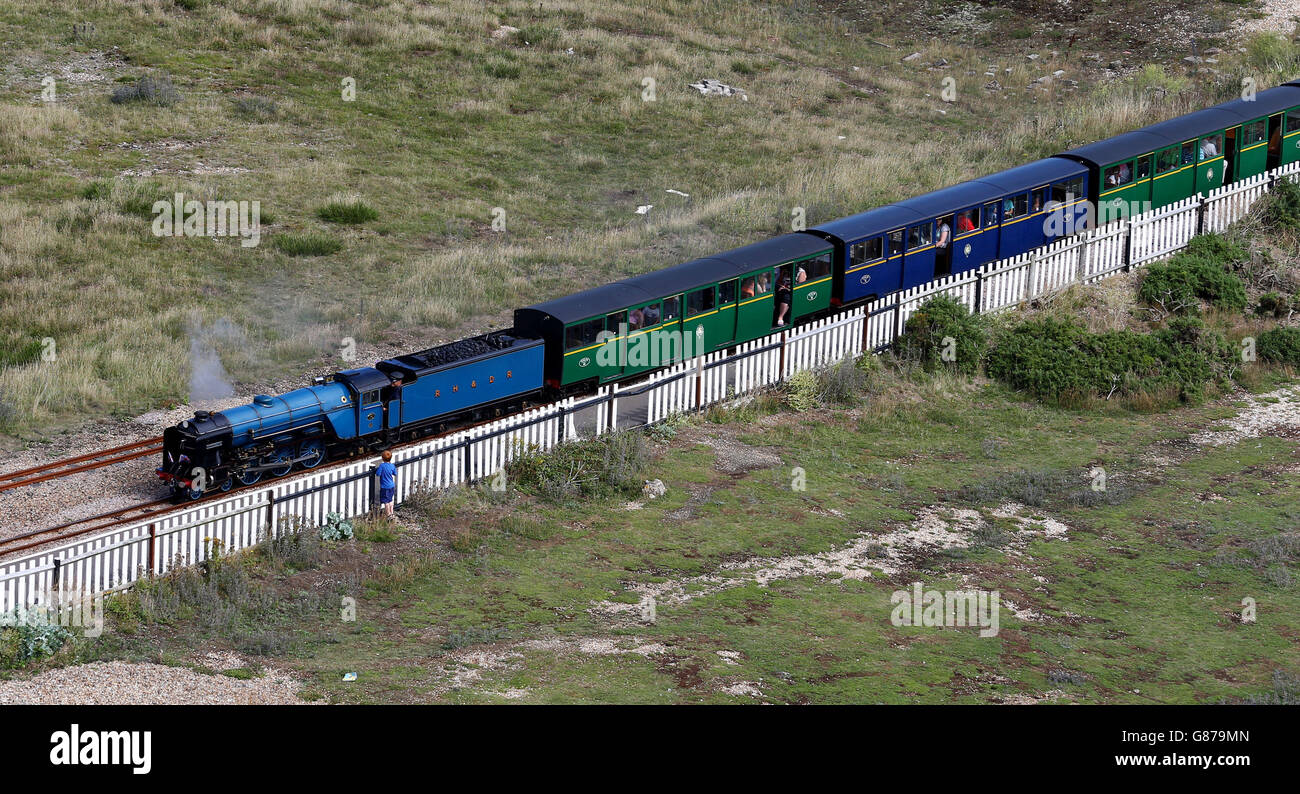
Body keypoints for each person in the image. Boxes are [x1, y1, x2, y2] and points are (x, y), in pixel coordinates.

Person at [375, 449, 397, 517]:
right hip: (391, 485)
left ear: (382, 458)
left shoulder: (382, 466)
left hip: (385, 487)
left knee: (386, 502)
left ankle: (388, 515)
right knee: (390, 500)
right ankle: (392, 513)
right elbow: (395, 473)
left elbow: (378, 474)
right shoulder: (392, 466)